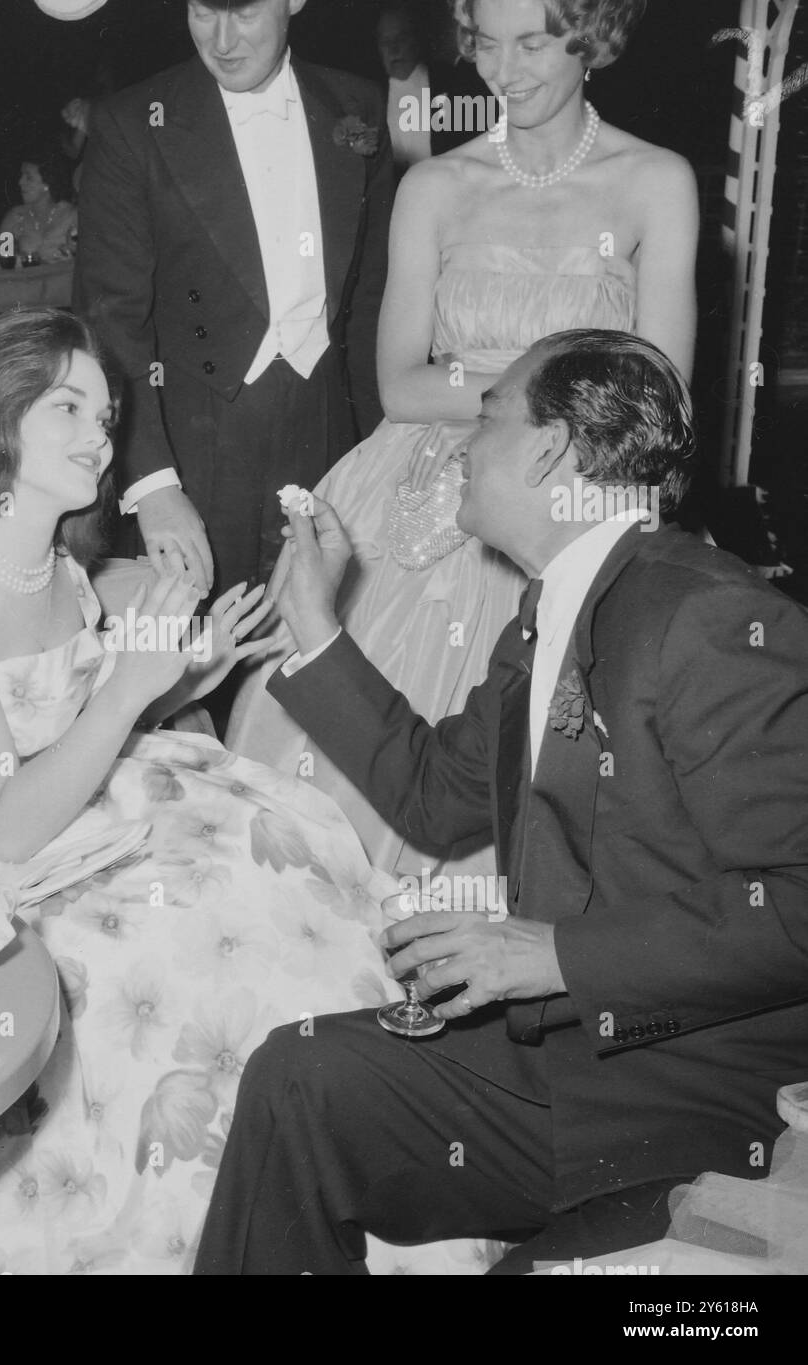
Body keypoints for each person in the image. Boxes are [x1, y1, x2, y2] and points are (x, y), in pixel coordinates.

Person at [0, 309, 416, 1275]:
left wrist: (194, 670)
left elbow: (92, 715)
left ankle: (304, 1206)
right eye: (70, 407)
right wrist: (135, 683)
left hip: (97, 809)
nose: (103, 433)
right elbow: (7, 823)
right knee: (179, 957)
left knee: (275, 873)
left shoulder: (54, 565)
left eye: (107, 409)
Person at [194, 329, 808, 1275]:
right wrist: (313, 621)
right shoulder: (553, 605)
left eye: (485, 419)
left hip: (699, 1097)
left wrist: (552, 953)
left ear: (551, 449)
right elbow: (438, 798)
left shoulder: (706, 615)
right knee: (299, 1077)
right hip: (573, 1064)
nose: (455, 446)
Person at [228, 0, 696, 882]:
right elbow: (401, 381)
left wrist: (542, 421)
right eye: (485, 43)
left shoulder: (655, 182)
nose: (504, 71)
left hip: (584, 497)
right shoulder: (434, 187)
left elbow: (661, 398)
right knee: (343, 782)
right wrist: (541, 405)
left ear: (591, 38)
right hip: (426, 479)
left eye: (532, 43)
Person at [74, 0, 394, 599]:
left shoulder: (358, 106)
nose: (222, 41)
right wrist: (153, 485)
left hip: (329, 428)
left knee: (322, 643)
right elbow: (110, 322)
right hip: (195, 444)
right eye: (203, 11)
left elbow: (371, 297)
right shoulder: (131, 123)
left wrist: (384, 451)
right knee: (204, 659)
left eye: (244, 13)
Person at [375, 0, 485, 169]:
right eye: (385, 41)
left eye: (401, 38)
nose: (394, 49)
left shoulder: (452, 81)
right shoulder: (370, 95)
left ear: (416, 38)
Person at [0, 152, 78, 263]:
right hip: (28, 279)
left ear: (47, 184)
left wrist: (74, 253)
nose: (20, 182)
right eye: (21, 176)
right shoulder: (16, 216)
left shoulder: (70, 215)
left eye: (29, 178)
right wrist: (11, 248)